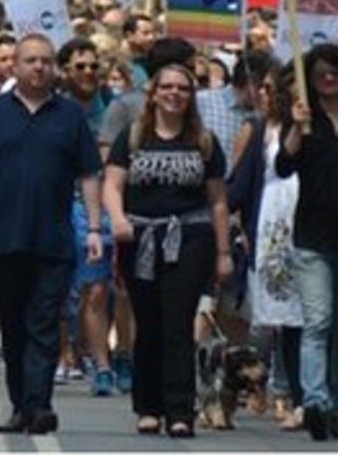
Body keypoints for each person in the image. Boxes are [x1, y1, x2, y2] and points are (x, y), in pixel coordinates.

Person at [0, 33, 104, 435]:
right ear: (15, 66)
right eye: (30, 61)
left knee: (44, 322)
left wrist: (93, 227)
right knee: (16, 325)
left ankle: (39, 405)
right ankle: (21, 404)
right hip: (4, 239)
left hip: (53, 241)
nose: (38, 67)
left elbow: (89, 174)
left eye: (45, 60)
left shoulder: (70, 115)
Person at [104, 63, 232, 438]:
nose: (174, 94)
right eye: (167, 87)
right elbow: (112, 185)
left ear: (191, 97)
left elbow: (219, 202)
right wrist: (117, 220)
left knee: (178, 323)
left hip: (190, 238)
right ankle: (148, 406)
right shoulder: (132, 137)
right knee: (149, 323)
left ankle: (180, 410)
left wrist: (223, 252)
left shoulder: (204, 142)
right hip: (141, 237)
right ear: (154, 94)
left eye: (183, 88)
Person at [277, 44, 338, 441]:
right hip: (311, 238)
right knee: (317, 321)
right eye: (320, 74)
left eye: (336, 72)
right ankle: (315, 403)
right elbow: (282, 167)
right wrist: (295, 130)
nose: (329, 79)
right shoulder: (303, 120)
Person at [227, 63, 305, 431]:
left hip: (308, 225)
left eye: (272, 88)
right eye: (263, 87)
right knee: (278, 321)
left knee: (311, 320)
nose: (263, 94)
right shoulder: (259, 130)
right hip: (271, 228)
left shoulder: (310, 128)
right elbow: (240, 183)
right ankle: (278, 392)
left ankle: (306, 396)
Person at [56, 37, 123, 395]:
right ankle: (66, 352)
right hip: (63, 205)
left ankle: (101, 359)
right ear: (64, 71)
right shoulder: (55, 109)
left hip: (107, 207)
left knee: (100, 290)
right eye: (79, 66)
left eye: (94, 66)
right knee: (67, 288)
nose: (88, 73)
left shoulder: (113, 107)